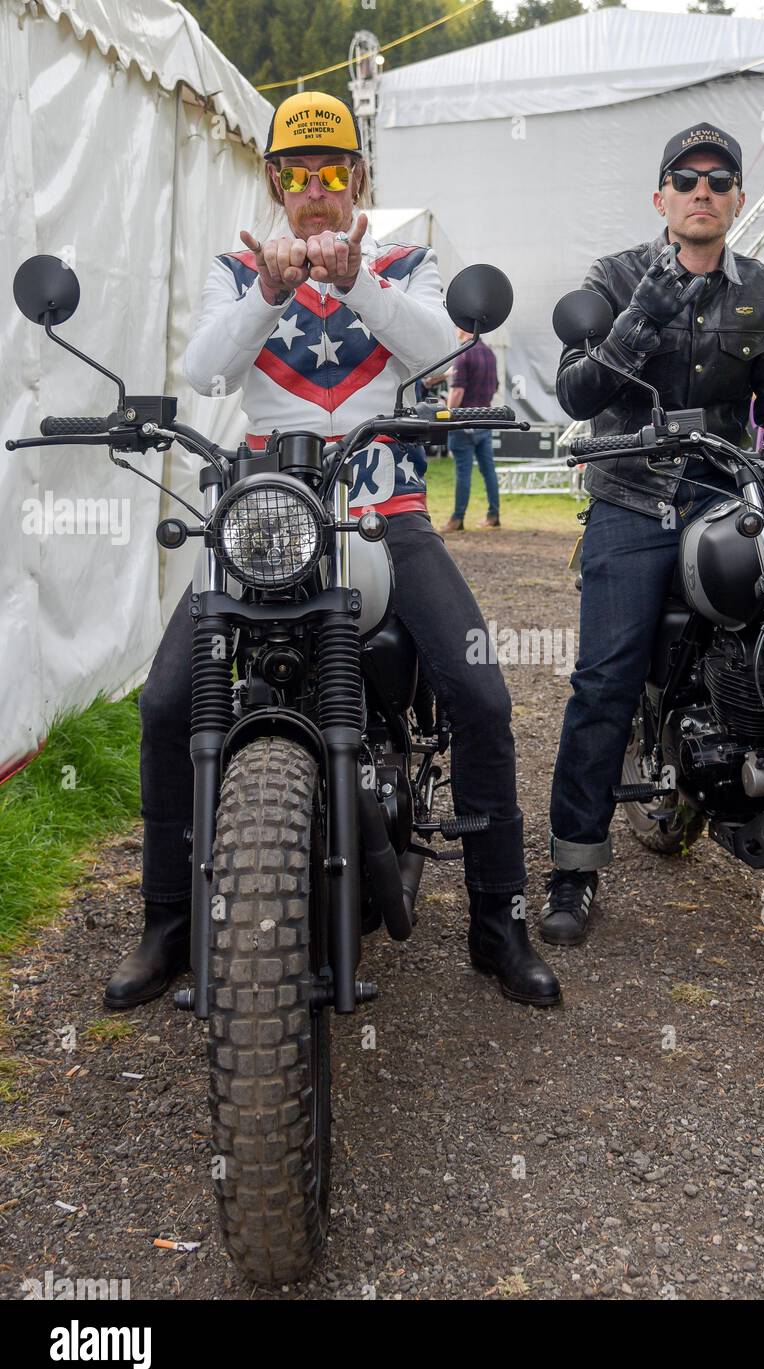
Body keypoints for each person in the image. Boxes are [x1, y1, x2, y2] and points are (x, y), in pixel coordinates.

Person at [104, 91, 559, 1011]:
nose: (315, 191)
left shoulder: (405, 261)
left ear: (359, 178)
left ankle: (496, 918)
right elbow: (205, 372)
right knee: (162, 703)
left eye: (332, 173)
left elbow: (436, 351)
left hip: (382, 501)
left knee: (478, 691)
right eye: (298, 175)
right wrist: (273, 290)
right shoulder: (238, 267)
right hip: (264, 504)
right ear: (274, 180)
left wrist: (353, 281)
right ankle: (166, 920)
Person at [541, 123, 764, 944]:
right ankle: (572, 870)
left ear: (736, 197)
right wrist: (640, 319)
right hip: (630, 497)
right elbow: (576, 396)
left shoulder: (761, 289)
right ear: (661, 196)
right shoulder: (616, 276)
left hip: (722, 499)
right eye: (685, 179)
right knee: (605, 680)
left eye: (719, 178)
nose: (703, 190)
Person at [440, 328, 502, 532]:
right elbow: (495, 386)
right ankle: (494, 515)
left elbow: (457, 391)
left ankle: (457, 518)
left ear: (464, 328)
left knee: (463, 472)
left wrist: (448, 414)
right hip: (485, 419)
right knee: (488, 470)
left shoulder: (462, 354)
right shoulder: (489, 354)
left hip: (464, 422)